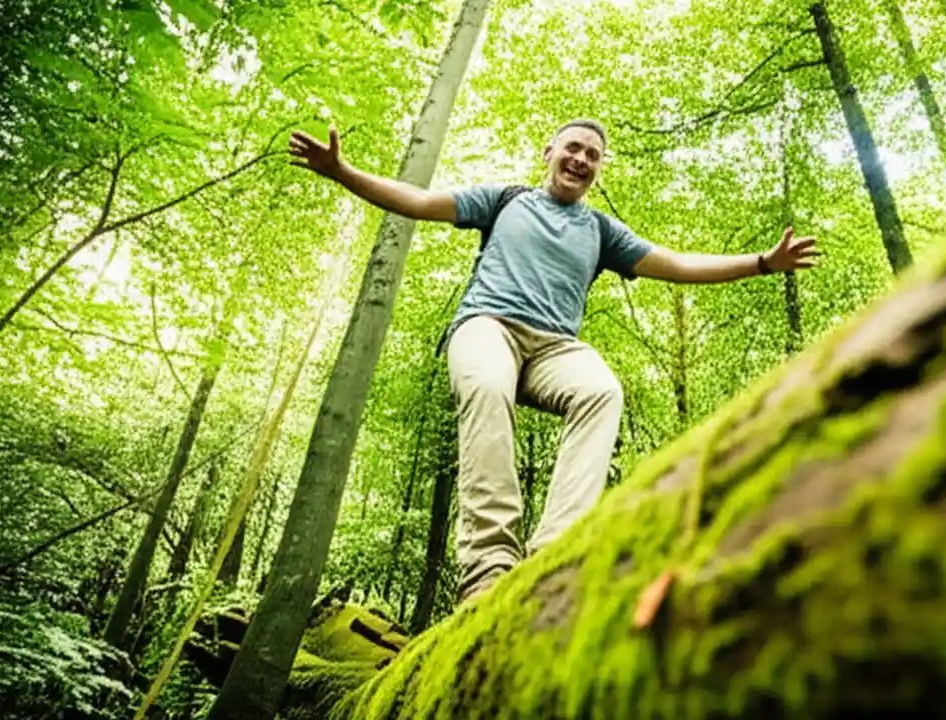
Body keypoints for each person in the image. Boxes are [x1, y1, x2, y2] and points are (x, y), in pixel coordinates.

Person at [289, 119, 819, 602]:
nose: (581, 160)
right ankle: (488, 568)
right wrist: (342, 172)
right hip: (487, 326)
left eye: (592, 155)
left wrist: (763, 263)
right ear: (549, 151)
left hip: (554, 347)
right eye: (573, 148)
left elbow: (676, 263)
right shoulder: (505, 200)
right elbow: (420, 201)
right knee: (489, 386)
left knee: (601, 391)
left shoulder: (602, 231)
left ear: (597, 168)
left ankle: (554, 556)